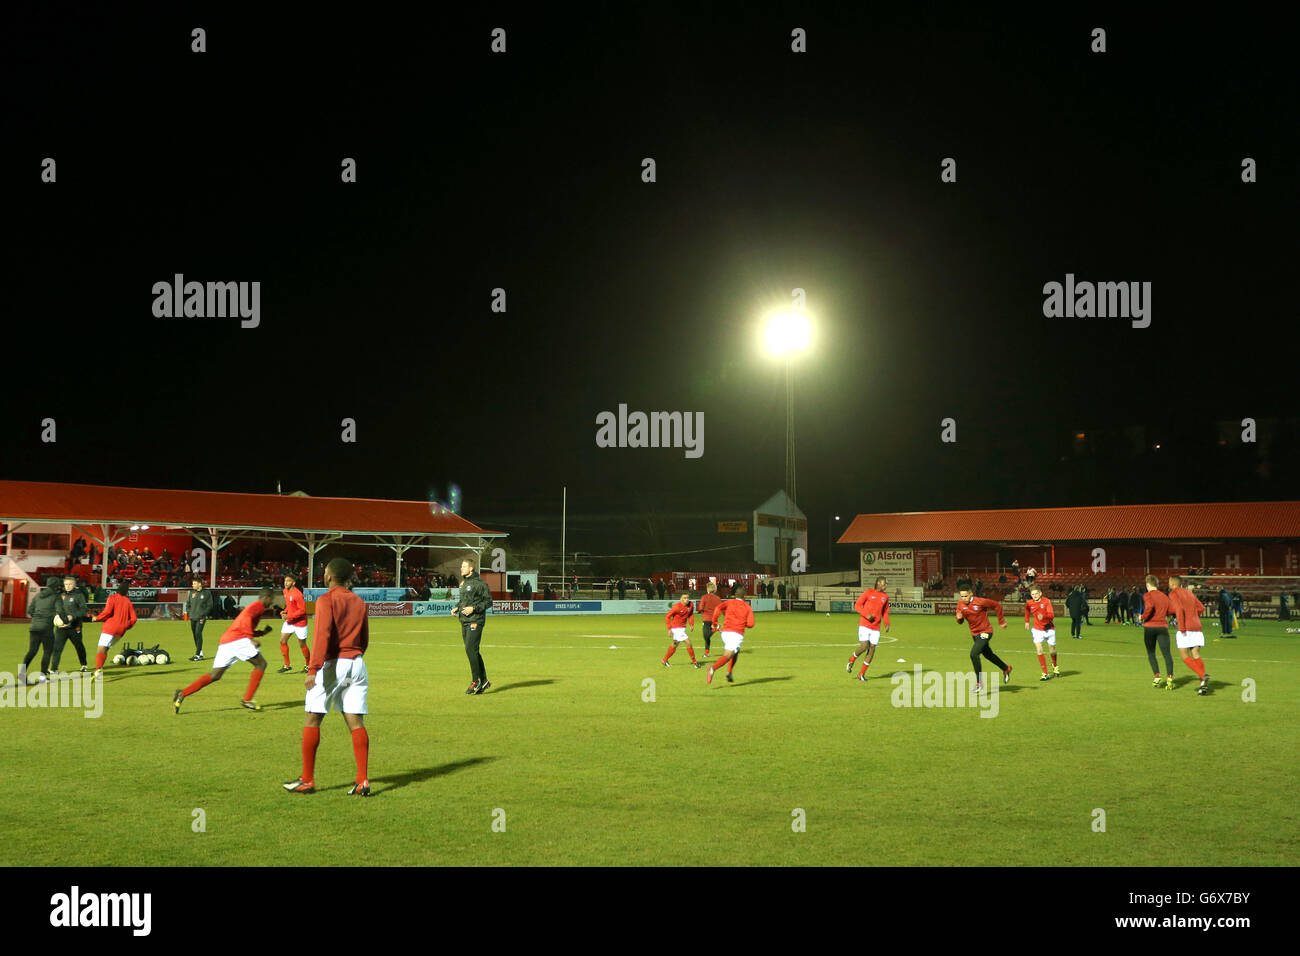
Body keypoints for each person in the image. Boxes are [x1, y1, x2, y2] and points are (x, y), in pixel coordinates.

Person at [283, 557, 372, 796]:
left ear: (329, 576)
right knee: (355, 721)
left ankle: (307, 779)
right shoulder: (359, 602)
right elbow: (364, 639)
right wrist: (355, 657)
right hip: (358, 664)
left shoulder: (326, 600)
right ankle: (362, 780)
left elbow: (322, 635)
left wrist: (313, 669)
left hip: (335, 664)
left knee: (313, 718)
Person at [173, 588, 274, 713]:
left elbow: (244, 624)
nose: (272, 602)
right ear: (267, 597)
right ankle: (247, 699)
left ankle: (182, 694)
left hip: (227, 640)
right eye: (271, 599)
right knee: (261, 664)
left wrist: (261, 633)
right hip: (238, 639)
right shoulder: (258, 606)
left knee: (215, 675)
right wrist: (250, 639)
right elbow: (246, 619)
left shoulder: (255, 607)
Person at [955, 579, 1011, 692]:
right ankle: (1006, 668)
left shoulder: (980, 601)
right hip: (975, 634)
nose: (963, 598)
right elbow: (959, 619)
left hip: (985, 631)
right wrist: (959, 619)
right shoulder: (960, 604)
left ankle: (979, 682)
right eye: (962, 596)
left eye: (965, 596)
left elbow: (997, 606)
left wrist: (1001, 621)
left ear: (971, 593)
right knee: (988, 655)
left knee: (974, 654)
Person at [451, 556, 492, 694]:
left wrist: (473, 608)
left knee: (470, 649)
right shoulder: (463, 583)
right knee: (472, 651)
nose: (461, 568)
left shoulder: (480, 583)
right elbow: (464, 601)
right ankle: (484, 680)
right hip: (464, 621)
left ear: (471, 568)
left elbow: (488, 602)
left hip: (475, 620)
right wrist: (457, 607)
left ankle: (476, 681)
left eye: (463, 566)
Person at [1167, 575, 1211, 695]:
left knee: (1184, 656)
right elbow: (1201, 608)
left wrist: (1181, 627)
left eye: (1169, 582)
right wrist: (1193, 615)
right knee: (1196, 654)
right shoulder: (1189, 593)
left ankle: (1203, 675)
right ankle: (1203, 685)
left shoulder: (1174, 594)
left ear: (1173, 583)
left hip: (1186, 628)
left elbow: (1179, 609)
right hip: (1197, 626)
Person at [89, 581, 139, 679]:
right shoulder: (128, 601)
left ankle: (98, 669)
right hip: (120, 631)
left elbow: (107, 612)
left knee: (101, 648)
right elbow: (134, 619)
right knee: (105, 649)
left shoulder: (112, 598)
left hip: (110, 628)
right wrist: (126, 626)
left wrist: (97, 618)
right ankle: (99, 669)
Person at [706, 586, 754, 685]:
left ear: (735, 595)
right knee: (728, 655)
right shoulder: (747, 607)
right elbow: (751, 624)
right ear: (744, 596)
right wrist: (742, 622)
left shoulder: (729, 602)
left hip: (725, 633)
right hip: (735, 633)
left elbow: (718, 608)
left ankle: (729, 672)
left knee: (736, 651)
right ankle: (712, 668)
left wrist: (714, 622)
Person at [19, 576, 62, 685]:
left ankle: (22, 674)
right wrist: (65, 621)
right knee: (47, 652)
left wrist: (38, 617)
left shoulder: (38, 596)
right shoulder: (56, 597)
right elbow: (60, 611)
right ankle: (43, 677)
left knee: (32, 651)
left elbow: (30, 610)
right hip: (46, 628)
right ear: (56, 586)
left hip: (34, 627)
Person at [848, 575, 890, 682]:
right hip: (865, 625)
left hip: (876, 627)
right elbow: (857, 605)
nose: (886, 585)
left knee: (872, 649)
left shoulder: (885, 597)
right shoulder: (868, 593)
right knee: (864, 646)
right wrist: (866, 614)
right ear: (879, 583)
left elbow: (885, 612)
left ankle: (861, 674)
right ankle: (852, 659)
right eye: (885, 583)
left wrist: (887, 623)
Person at [50, 574, 92, 674]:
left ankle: (84, 664)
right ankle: (54, 669)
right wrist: (56, 618)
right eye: (66, 584)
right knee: (57, 648)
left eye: (70, 584)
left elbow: (83, 610)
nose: (67, 586)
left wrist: (72, 617)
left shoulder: (78, 595)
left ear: (74, 585)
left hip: (75, 627)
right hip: (62, 628)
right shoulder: (60, 595)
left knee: (79, 646)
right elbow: (55, 609)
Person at [1140, 575, 1175, 690]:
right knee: (1167, 654)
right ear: (1157, 584)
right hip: (1162, 627)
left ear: (1147, 585)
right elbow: (1171, 611)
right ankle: (1169, 678)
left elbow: (1150, 607)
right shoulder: (1164, 596)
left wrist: (1142, 617)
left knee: (1151, 653)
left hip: (1150, 627)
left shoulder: (1147, 595)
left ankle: (1156, 676)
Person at [1023, 585, 1059, 680]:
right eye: (1032, 594)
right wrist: (1027, 621)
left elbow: (1052, 615)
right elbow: (1027, 610)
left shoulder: (1046, 601)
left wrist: (1044, 617)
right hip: (1037, 630)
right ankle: (1045, 673)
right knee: (1039, 650)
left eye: (1036, 594)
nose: (1034, 596)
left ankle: (1055, 666)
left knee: (1052, 649)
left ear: (1040, 593)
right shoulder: (1029, 603)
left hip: (1049, 629)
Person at [277, 573, 311, 673]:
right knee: (282, 641)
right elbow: (290, 606)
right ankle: (287, 665)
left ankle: (308, 665)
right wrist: (285, 610)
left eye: (288, 581)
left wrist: (289, 616)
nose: (286, 583)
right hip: (290, 621)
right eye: (285, 581)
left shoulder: (298, 594)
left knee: (302, 644)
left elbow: (302, 610)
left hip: (300, 623)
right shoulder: (285, 591)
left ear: (293, 583)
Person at [661, 594, 700, 668]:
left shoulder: (691, 604)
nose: (687, 599)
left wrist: (691, 624)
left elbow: (691, 614)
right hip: (676, 628)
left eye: (687, 598)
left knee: (675, 644)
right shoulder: (676, 607)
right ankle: (695, 662)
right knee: (689, 643)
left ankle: (664, 660)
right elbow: (667, 616)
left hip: (682, 628)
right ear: (681, 599)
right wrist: (669, 628)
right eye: (684, 598)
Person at [184, 577, 213, 661]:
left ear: (199, 584)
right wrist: (189, 613)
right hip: (193, 617)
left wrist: (203, 614)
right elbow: (188, 604)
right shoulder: (192, 593)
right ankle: (200, 653)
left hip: (201, 618)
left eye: (194, 583)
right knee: (195, 635)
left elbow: (210, 605)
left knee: (198, 633)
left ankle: (197, 654)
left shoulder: (206, 593)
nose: (192, 585)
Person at [697, 581, 722, 657]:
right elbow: (720, 609)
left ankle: (716, 628)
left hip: (706, 618)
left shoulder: (704, 597)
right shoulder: (718, 598)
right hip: (714, 619)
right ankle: (706, 653)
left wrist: (700, 611)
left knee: (706, 636)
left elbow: (700, 607)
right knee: (707, 637)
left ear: (708, 589)